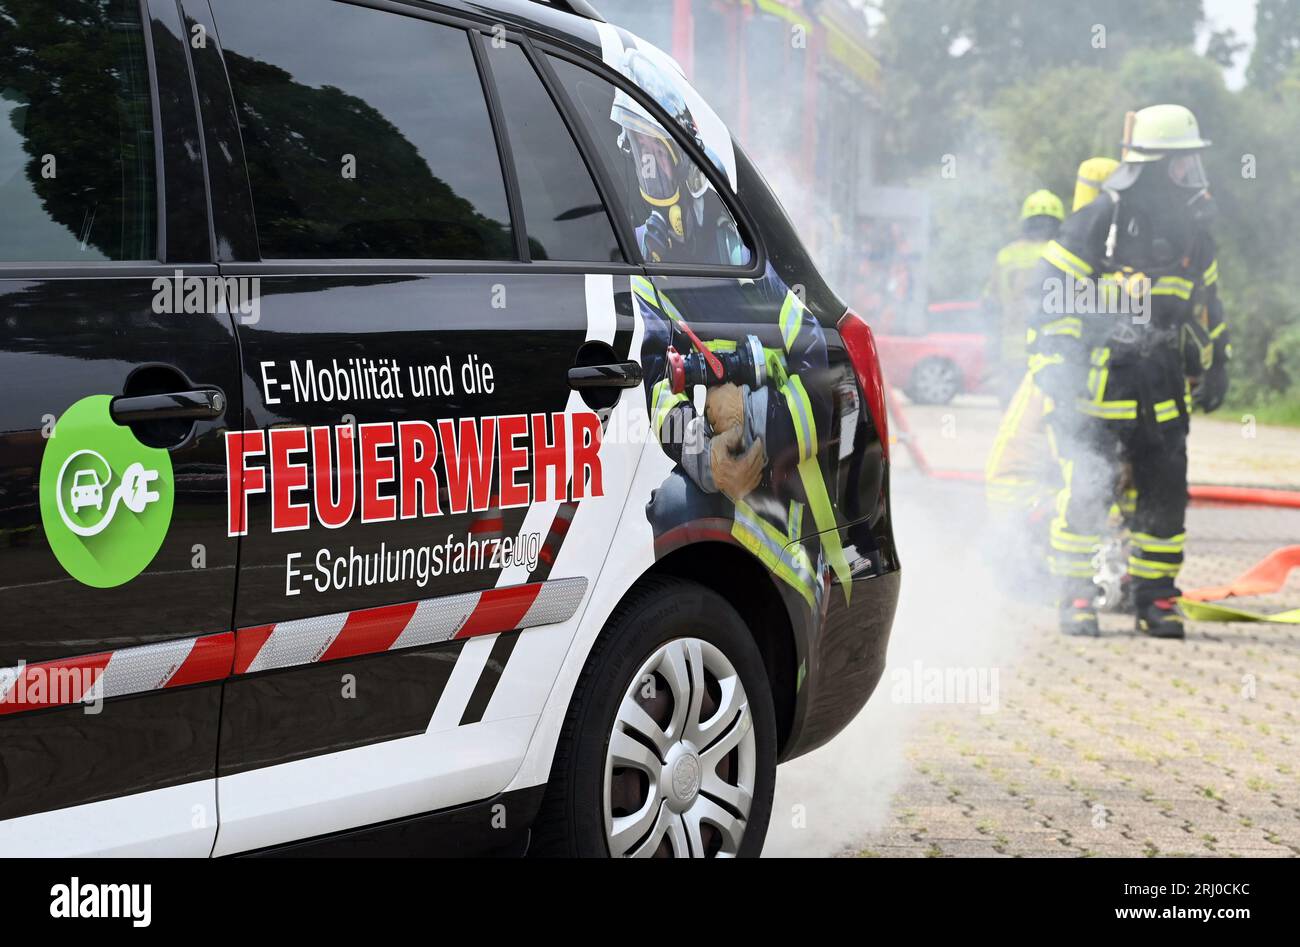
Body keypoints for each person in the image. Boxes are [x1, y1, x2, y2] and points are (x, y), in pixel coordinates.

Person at [1028, 105, 1230, 638]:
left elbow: (1207, 308)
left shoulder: (1194, 233)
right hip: (1098, 387)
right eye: (1183, 164)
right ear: (1156, 166)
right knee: (1087, 492)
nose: (1191, 174)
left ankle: (1156, 600)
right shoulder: (1101, 221)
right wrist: (1056, 367)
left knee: (1165, 493)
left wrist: (1215, 365)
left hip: (1161, 388)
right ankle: (1075, 595)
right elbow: (1050, 298)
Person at [985, 166, 1117, 593]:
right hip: (1060, 362)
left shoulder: (1007, 255)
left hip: (1021, 356)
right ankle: (1050, 557)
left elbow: (991, 305)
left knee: (1027, 437)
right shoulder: (1072, 255)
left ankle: (1025, 554)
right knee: (1067, 461)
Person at [984, 190, 1065, 401]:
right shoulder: (1061, 254)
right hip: (1052, 349)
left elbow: (990, 302)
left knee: (1012, 412)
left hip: (1012, 350)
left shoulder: (1006, 255)